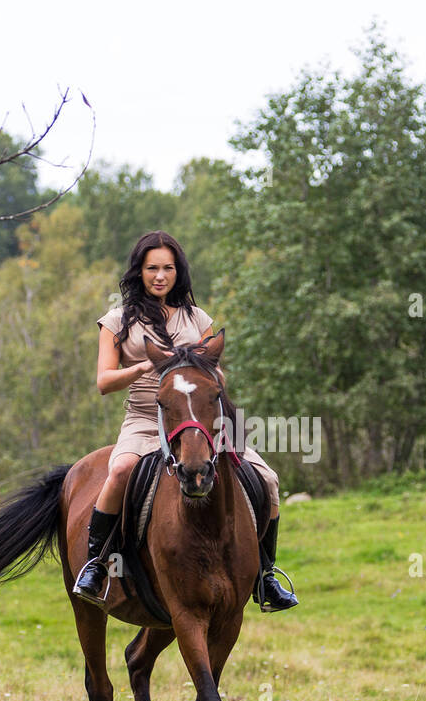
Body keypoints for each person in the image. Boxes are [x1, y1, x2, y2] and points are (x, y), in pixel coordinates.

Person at [72, 230, 298, 613]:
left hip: (202, 418)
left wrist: (203, 373)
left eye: (168, 268)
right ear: (139, 271)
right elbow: (103, 382)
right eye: (152, 268)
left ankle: (265, 574)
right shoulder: (115, 321)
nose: (160, 276)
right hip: (147, 416)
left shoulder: (198, 318)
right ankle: (96, 565)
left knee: (270, 480)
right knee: (121, 469)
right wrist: (146, 365)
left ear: (179, 272)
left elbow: (218, 375)